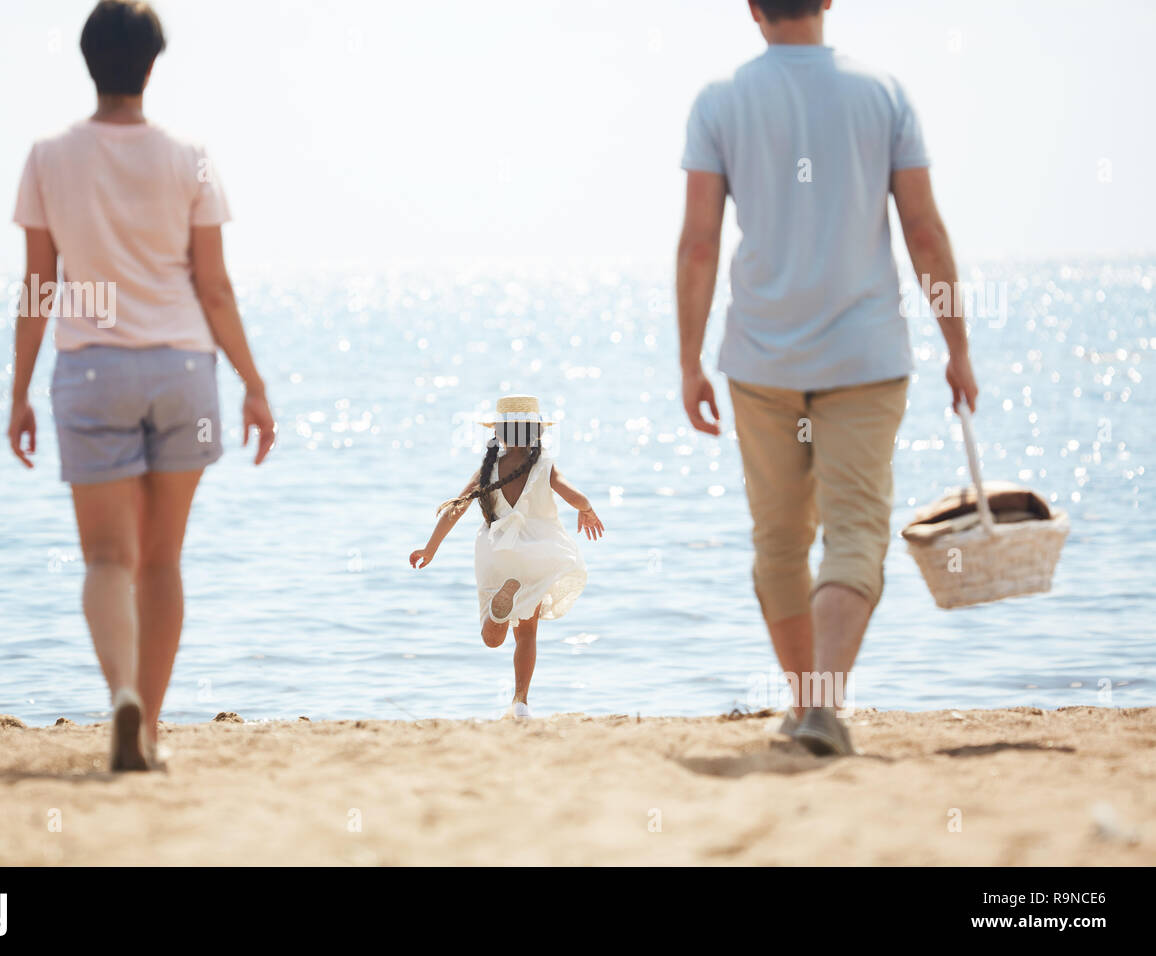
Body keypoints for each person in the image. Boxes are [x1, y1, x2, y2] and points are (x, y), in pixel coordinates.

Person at [675, 0, 978, 755]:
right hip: (863, 359)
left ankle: (811, 706)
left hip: (762, 361)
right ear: (828, 1)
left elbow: (699, 243)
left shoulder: (720, 101)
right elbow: (924, 231)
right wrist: (958, 343)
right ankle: (821, 707)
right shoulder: (882, 94)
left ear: (752, 7)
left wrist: (688, 361)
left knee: (778, 542)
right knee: (855, 533)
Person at [6, 0, 276, 770]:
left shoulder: (47, 157)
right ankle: (147, 734)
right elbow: (214, 288)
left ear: (89, 62)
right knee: (163, 562)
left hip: (90, 371)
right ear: (152, 65)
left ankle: (122, 694)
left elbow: (38, 287)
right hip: (184, 371)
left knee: (106, 561)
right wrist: (254, 386)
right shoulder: (190, 157)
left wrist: (20, 392)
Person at [409, 396, 603, 718]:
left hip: (496, 553)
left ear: (499, 434)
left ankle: (497, 616)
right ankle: (521, 702)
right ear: (536, 434)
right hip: (536, 552)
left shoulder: (488, 469)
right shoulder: (545, 466)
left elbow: (456, 508)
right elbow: (575, 496)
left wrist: (430, 548)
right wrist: (588, 511)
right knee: (526, 632)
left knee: (491, 639)